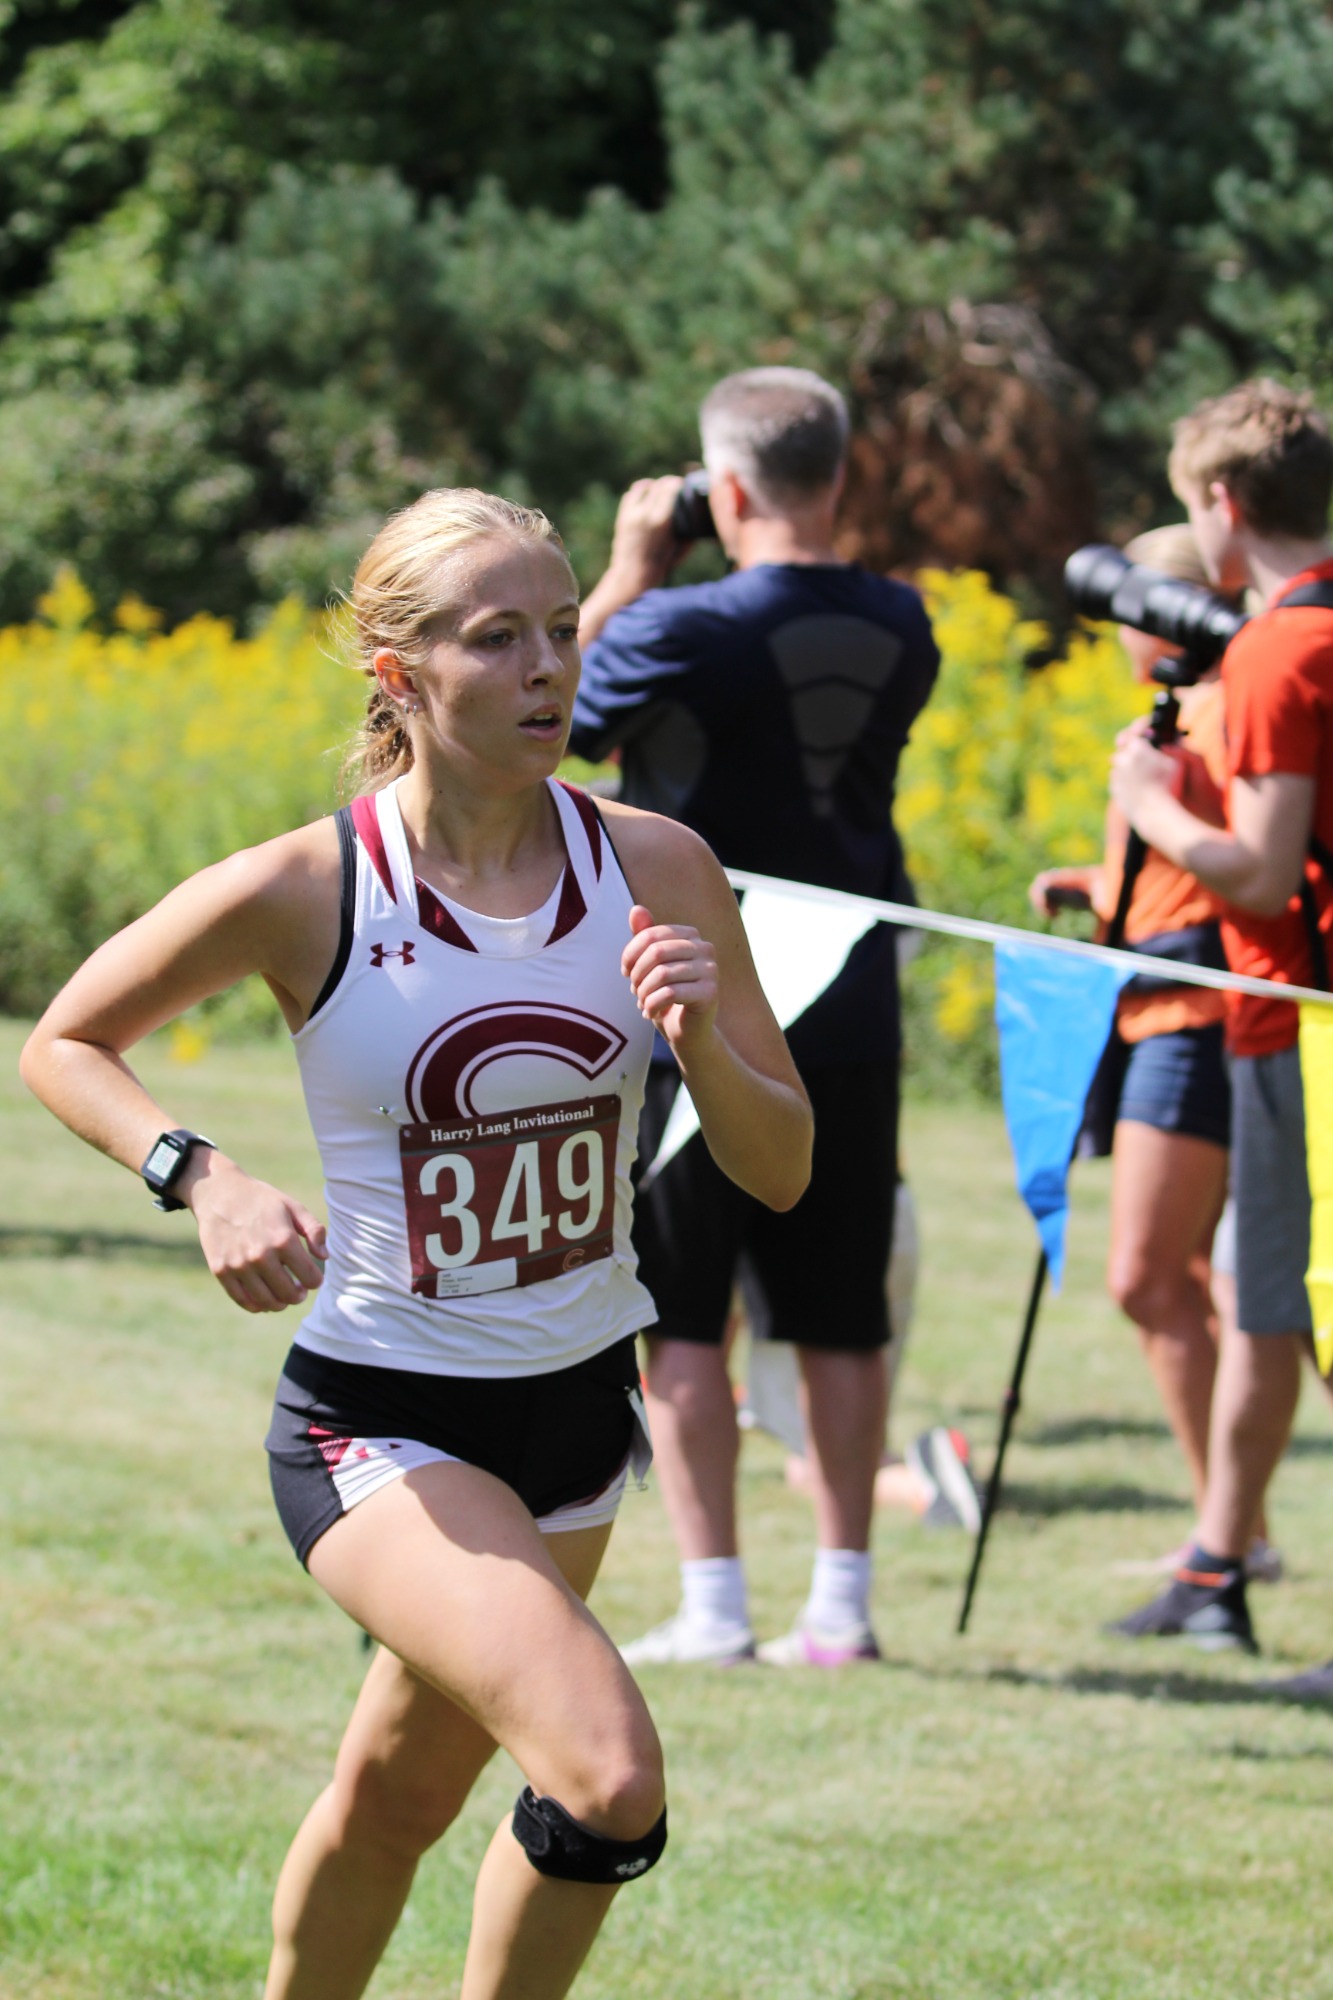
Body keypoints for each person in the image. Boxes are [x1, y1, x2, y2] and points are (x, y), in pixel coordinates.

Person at [18, 487, 813, 1998]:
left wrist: (699, 1037)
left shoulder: (657, 866)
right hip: (377, 1420)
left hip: (579, 1407)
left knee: (397, 1796)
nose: (546, 670)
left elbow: (779, 1170)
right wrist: (202, 1177)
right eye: (496, 637)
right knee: (604, 1775)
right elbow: (66, 1041)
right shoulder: (310, 886)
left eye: (563, 631)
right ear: (399, 676)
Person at [568, 366, 940, 1666]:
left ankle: (714, 1601)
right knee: (840, 1311)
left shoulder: (677, 628)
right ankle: (841, 1604)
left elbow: (547, 713)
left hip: (697, 1003)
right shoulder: (905, 620)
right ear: (839, 478)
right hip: (849, 1001)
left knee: (679, 1312)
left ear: (723, 491)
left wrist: (624, 565)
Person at [1109, 379, 1333, 1678]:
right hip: (1280, 1020)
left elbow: (1256, 868)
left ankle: (1219, 1561)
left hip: (1295, 1018)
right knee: (1265, 1306)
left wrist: (1148, 805)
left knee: (1305, 1306)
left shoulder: (1275, 653)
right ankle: (1215, 1563)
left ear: (1222, 507)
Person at [1032, 526, 1262, 1571]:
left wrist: (1146, 802)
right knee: (1206, 1281)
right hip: (1154, 1006)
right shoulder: (1173, 720)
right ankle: (1231, 1522)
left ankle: (1230, 1526)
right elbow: (1176, 868)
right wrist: (1091, 880)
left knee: (1152, 1276)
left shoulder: (1217, 717)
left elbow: (1244, 868)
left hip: (1198, 1019)